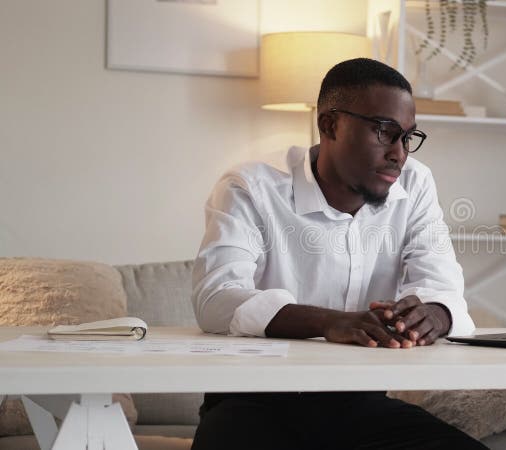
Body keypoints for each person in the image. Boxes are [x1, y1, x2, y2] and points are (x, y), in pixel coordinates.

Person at [190, 58, 485, 449]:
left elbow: (443, 286)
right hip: (251, 403)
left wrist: (435, 312)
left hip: (359, 406)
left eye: (408, 137)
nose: (400, 154)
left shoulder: (415, 184)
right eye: (384, 132)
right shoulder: (250, 187)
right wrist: (331, 322)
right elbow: (216, 299)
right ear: (330, 125)